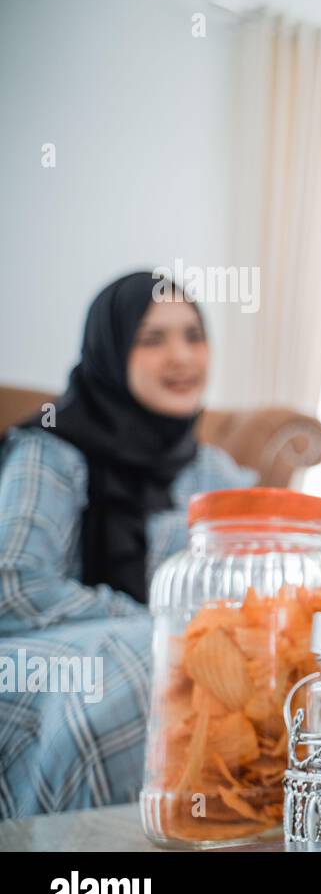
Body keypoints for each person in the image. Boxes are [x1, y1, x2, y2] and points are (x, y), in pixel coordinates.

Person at [0, 272, 255, 816]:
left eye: (193, 335)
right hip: (40, 657)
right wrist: (159, 626)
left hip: (171, 661)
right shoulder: (50, 450)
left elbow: (258, 589)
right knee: (148, 665)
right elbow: (15, 588)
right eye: (151, 339)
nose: (180, 356)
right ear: (110, 352)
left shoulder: (215, 472)